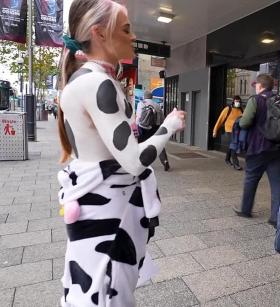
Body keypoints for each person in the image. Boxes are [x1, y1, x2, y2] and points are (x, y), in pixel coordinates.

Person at [56, 0, 185, 306]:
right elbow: (133, 162)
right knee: (109, 288)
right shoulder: (99, 83)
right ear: (100, 34)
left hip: (97, 202)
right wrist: (169, 125)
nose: (132, 36)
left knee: (91, 281)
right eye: (126, 29)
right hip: (110, 208)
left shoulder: (84, 79)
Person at [233, 74, 280, 226]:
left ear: (260, 86)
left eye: (256, 85)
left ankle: (246, 209)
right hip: (278, 149)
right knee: (277, 183)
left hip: (258, 148)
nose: (255, 87)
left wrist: (240, 121)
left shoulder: (255, 100)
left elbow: (245, 123)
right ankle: (275, 218)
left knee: (251, 179)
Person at [136, 90, 170, 171]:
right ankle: (165, 161)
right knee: (159, 144)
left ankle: (139, 162)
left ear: (144, 96)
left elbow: (138, 117)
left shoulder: (141, 103)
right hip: (155, 128)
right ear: (152, 97)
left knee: (139, 144)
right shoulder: (157, 105)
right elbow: (162, 118)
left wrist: (137, 126)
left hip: (143, 128)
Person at [212, 95, 243, 170]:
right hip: (229, 130)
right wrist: (215, 131)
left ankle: (227, 159)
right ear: (233, 101)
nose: (237, 103)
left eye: (239, 101)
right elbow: (220, 120)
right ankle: (236, 164)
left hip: (237, 131)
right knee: (233, 146)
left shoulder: (241, 110)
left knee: (231, 145)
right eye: (236, 101)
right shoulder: (227, 109)